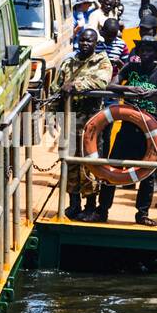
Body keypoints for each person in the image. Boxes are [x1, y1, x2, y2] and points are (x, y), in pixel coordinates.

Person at [96, 39, 157, 225]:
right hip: (128, 127)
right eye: (142, 49)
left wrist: (156, 93)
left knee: (148, 173)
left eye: (150, 50)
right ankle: (102, 209)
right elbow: (111, 86)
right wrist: (129, 88)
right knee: (112, 167)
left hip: (150, 130)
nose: (145, 53)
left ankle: (142, 214)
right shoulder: (131, 67)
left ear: (156, 54)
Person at [56, 28, 113, 221]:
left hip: (91, 121)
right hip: (70, 119)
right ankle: (74, 204)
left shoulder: (102, 62)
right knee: (70, 161)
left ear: (96, 43)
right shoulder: (68, 63)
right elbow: (57, 88)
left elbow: (102, 82)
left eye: (89, 41)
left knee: (90, 163)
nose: (85, 44)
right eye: (82, 40)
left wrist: (76, 86)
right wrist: (54, 116)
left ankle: (90, 206)